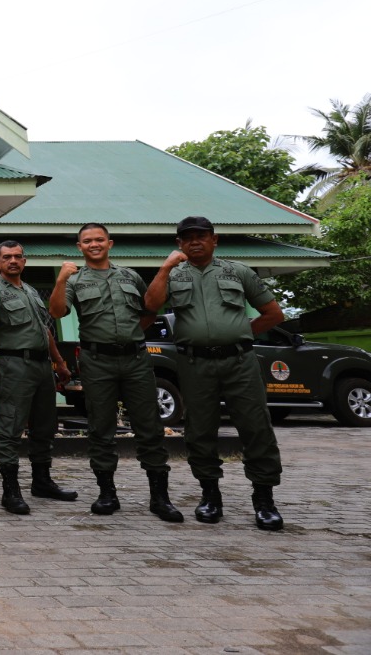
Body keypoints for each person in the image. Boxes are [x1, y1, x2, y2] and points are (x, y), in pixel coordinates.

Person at [144, 216, 285, 531]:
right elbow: (151, 304)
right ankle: (210, 496)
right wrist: (165, 268)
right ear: (179, 243)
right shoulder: (173, 274)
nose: (195, 241)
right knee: (200, 429)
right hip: (195, 364)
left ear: (214, 239)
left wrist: (239, 332)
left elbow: (273, 313)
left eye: (201, 236)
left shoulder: (238, 271)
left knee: (256, 427)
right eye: (188, 237)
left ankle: (264, 501)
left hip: (239, 362)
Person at [48, 224, 183, 522]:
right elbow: (57, 312)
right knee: (101, 427)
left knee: (149, 426)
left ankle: (160, 497)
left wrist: (130, 336)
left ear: (110, 243)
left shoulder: (130, 275)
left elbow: (149, 309)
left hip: (135, 358)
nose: (94, 244)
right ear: (79, 247)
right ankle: (107, 493)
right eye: (87, 241)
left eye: (99, 240)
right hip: (98, 361)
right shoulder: (74, 279)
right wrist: (60, 280)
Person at [0, 240, 77, 515]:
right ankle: (10, 490)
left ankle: (42, 482)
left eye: (17, 256)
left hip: (42, 366)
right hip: (15, 364)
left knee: (45, 425)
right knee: (10, 426)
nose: (13, 261)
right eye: (7, 257)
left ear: (24, 261)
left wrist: (59, 362)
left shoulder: (30, 291)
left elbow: (44, 329)